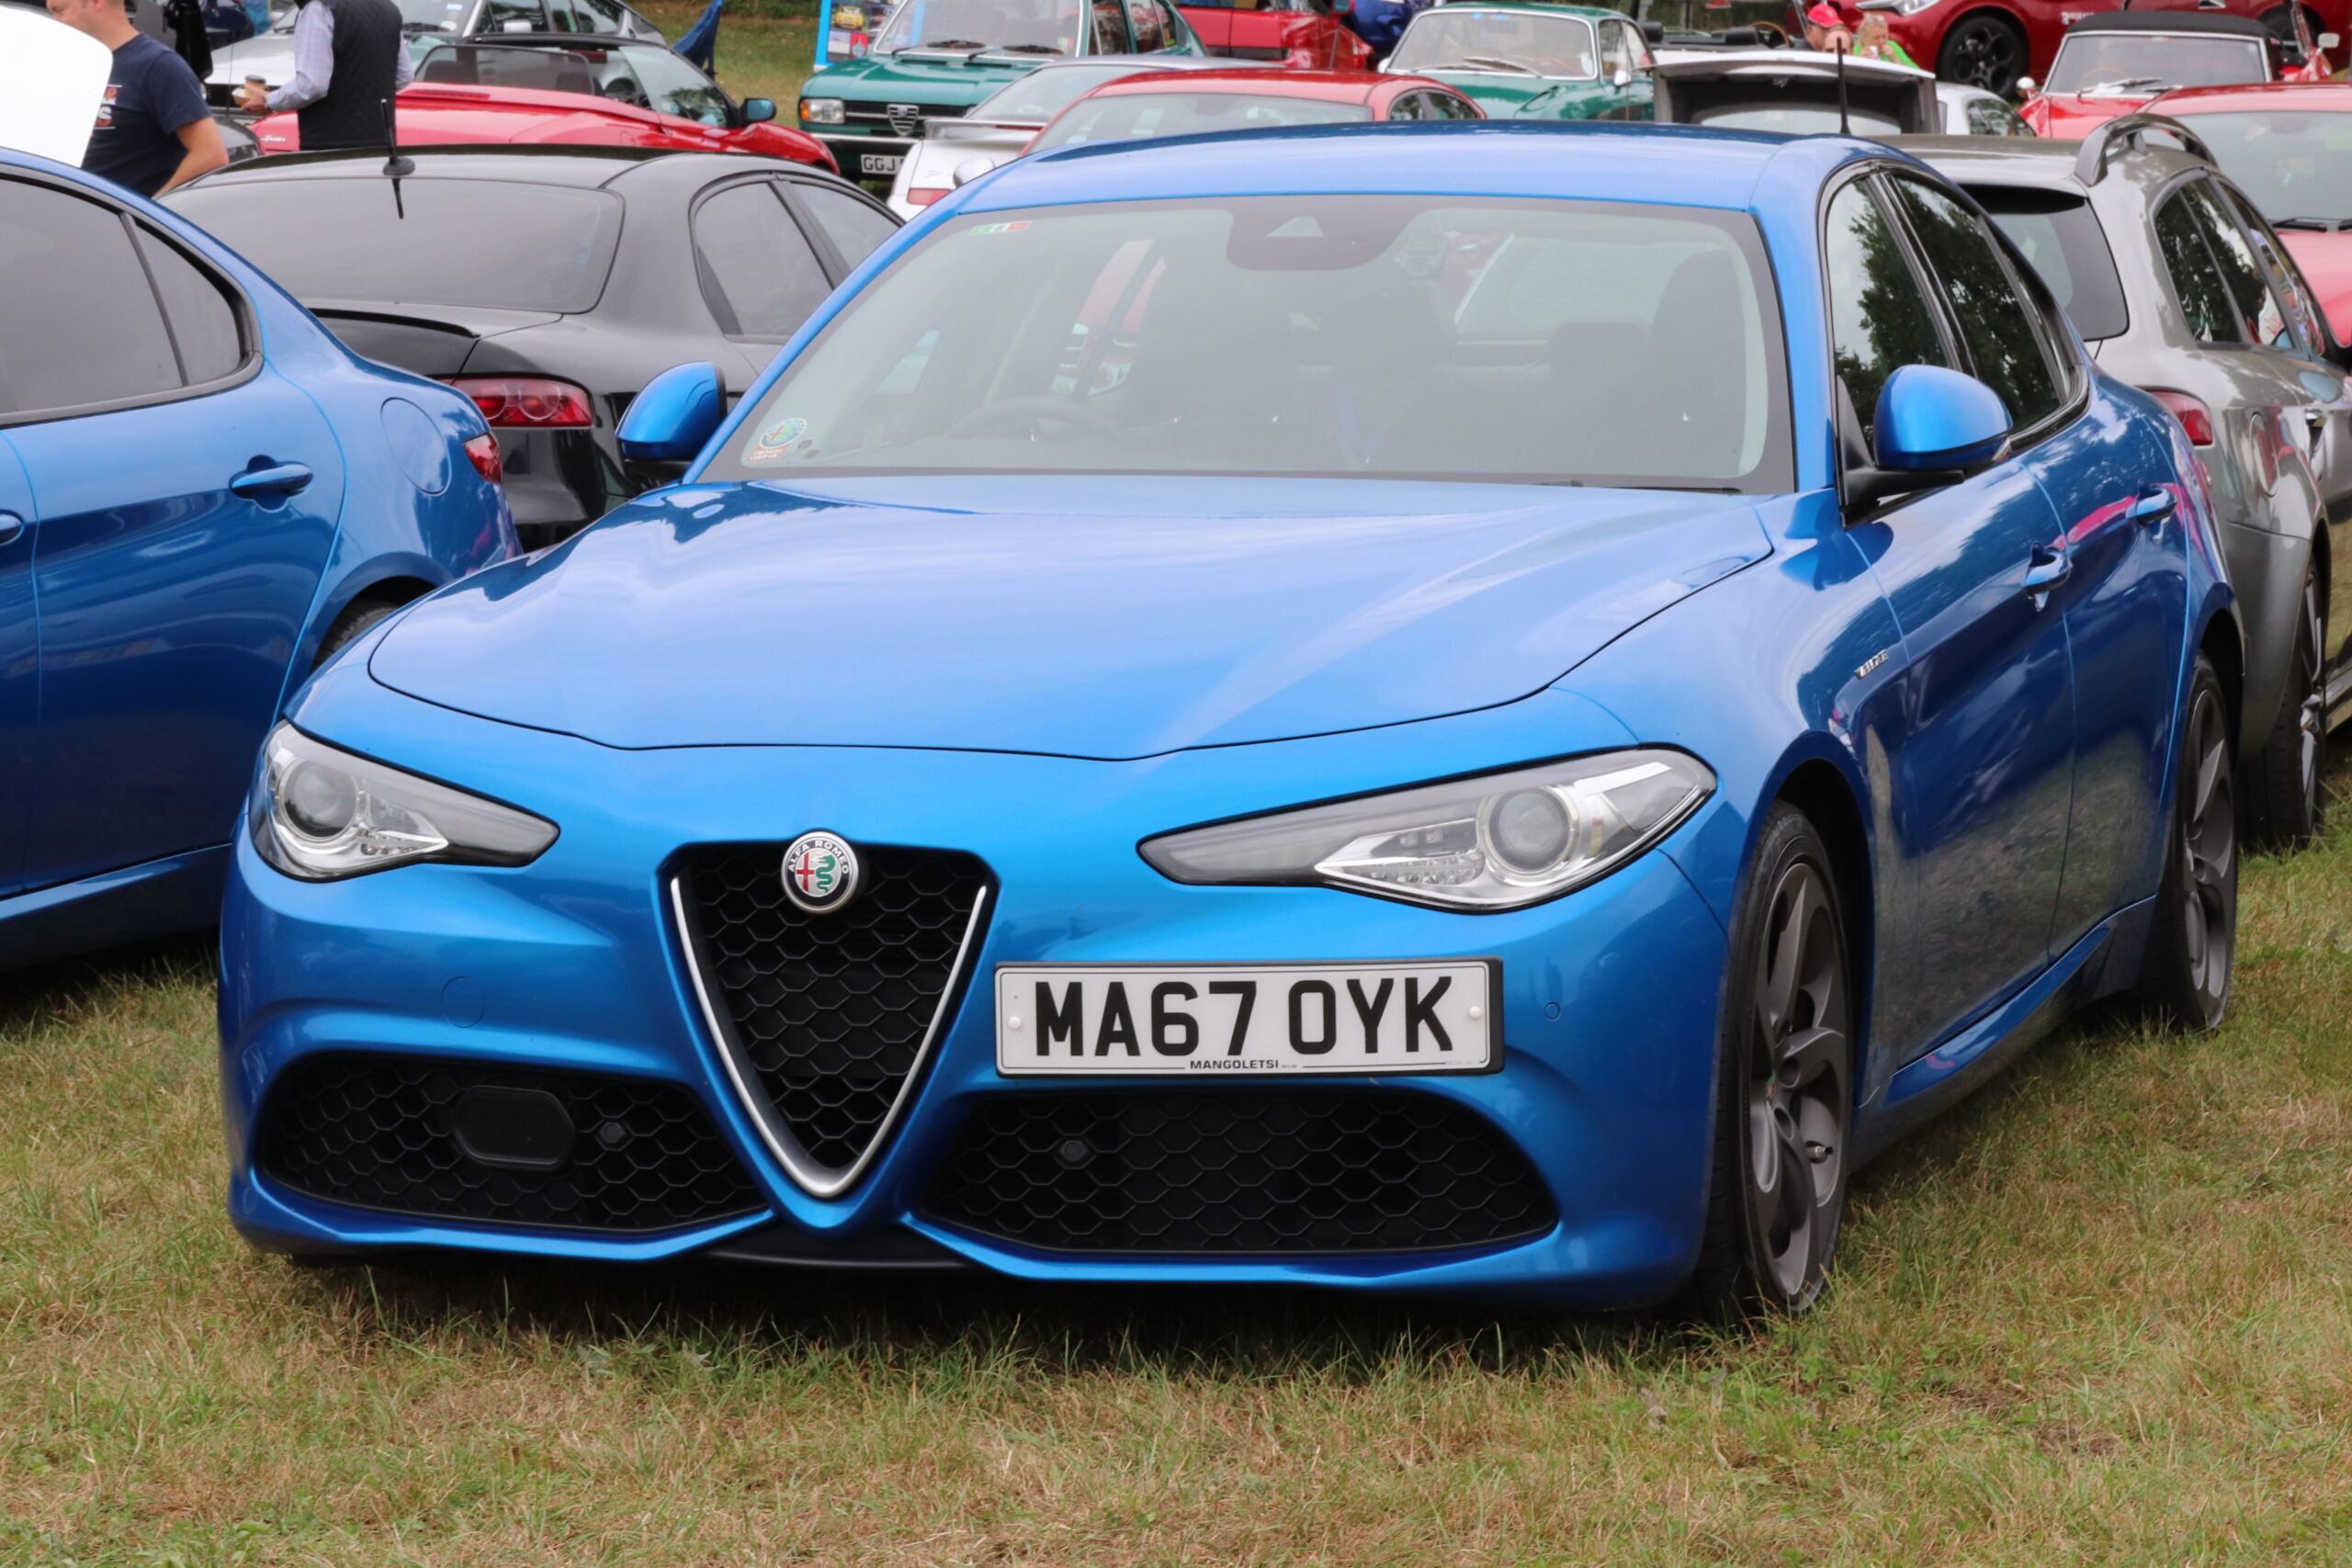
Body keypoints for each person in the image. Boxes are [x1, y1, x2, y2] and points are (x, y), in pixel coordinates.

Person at [48, 0, 228, 197]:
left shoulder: (158, 65)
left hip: (120, 221)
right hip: (63, 213)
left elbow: (211, 154)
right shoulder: (71, 65)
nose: (54, 22)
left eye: (59, 11)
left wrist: (153, 209)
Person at [232, 0, 411, 152]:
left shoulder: (318, 9)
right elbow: (403, 76)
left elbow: (312, 85)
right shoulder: (388, 7)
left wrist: (269, 101)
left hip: (329, 145)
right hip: (381, 144)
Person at [1854, 12, 1919, 68]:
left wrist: (1895, 60)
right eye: (1876, 38)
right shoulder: (1856, 51)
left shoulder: (1892, 46)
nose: (1882, 42)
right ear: (1864, 39)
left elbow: (1916, 71)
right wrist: (1860, 62)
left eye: (1884, 37)